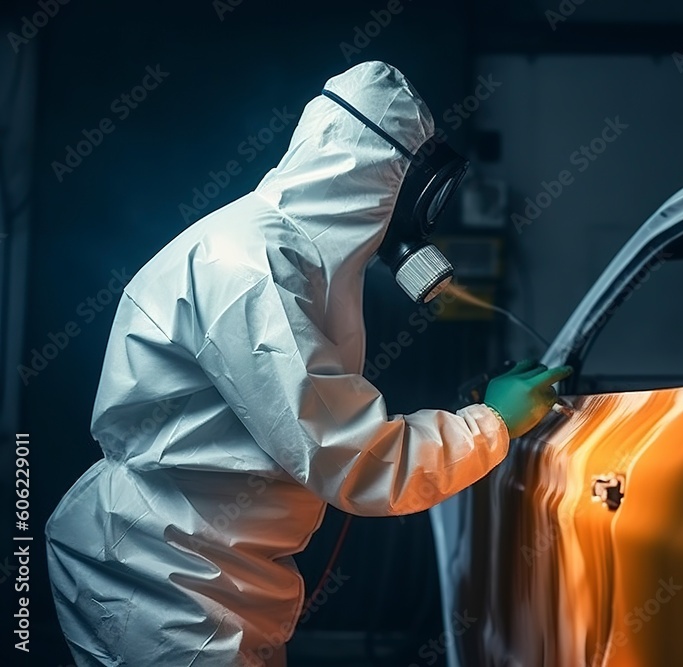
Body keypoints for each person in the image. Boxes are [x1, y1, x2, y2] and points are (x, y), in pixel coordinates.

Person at [45, 61, 570, 667]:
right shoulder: (251, 268)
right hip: (163, 578)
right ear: (386, 181)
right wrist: (491, 423)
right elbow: (355, 460)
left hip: (214, 572)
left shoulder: (291, 256)